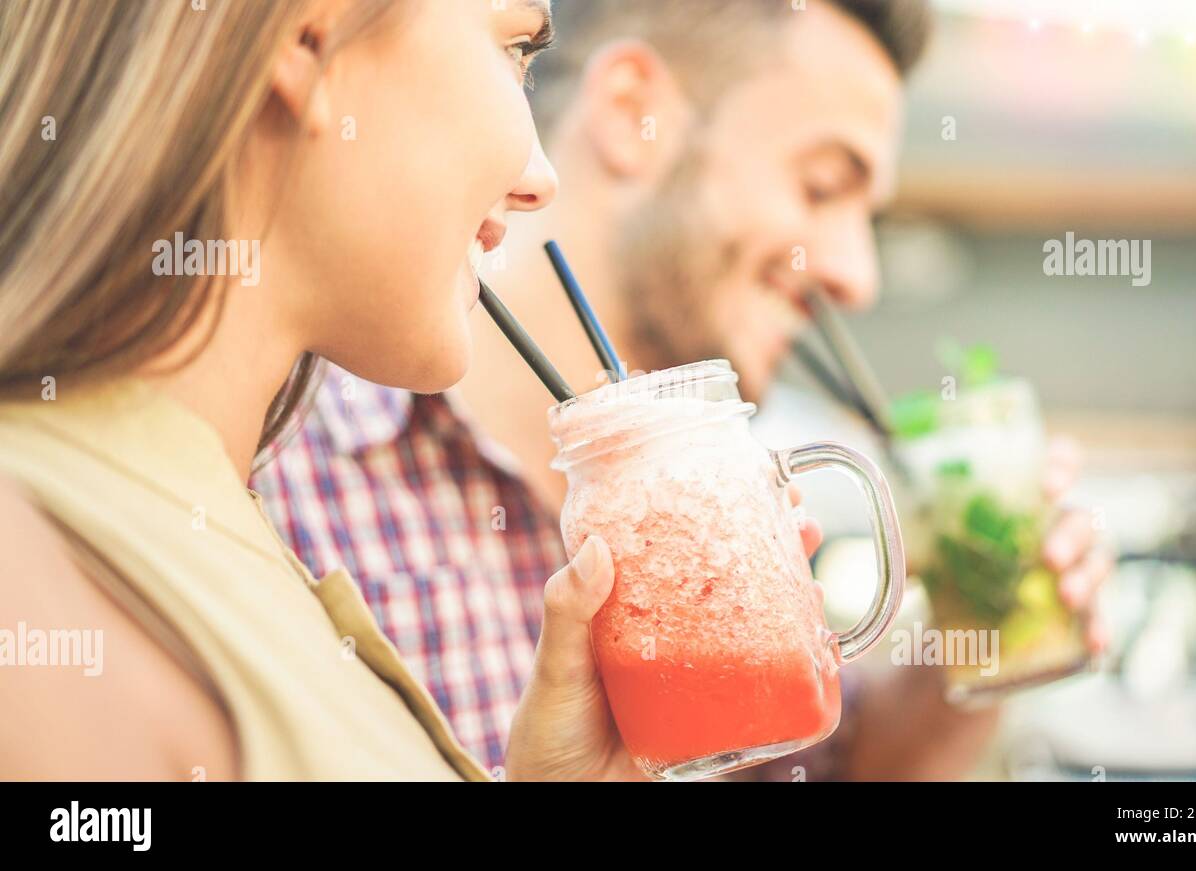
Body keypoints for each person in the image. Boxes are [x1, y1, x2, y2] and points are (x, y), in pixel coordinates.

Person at [254, 0, 1111, 779]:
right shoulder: (278, 478)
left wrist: (962, 649)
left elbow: (829, 768)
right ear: (635, 114)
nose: (854, 273)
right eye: (821, 186)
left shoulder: (730, 490)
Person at [0, 0, 729, 782]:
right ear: (310, 36)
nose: (538, 180)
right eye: (516, 47)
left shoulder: (209, 534)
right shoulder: (33, 568)